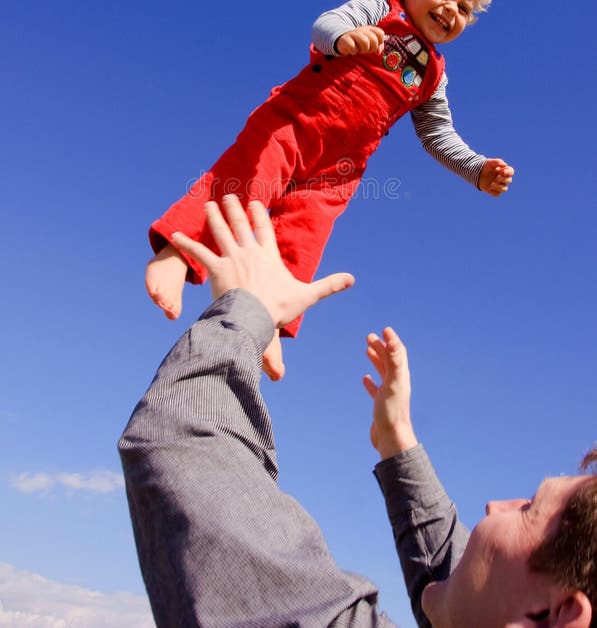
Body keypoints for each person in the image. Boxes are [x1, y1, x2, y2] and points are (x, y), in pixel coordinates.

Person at [120, 196, 596, 628]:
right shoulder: (513, 609)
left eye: (530, 510)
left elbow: (181, 442)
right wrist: (398, 439)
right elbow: (464, 582)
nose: (494, 506)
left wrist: (248, 309)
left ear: (555, 615)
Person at [144, 0, 515, 380]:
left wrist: (475, 168)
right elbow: (324, 26)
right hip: (294, 123)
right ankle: (176, 255)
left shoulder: (433, 77)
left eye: (465, 9)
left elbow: (439, 135)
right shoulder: (381, 8)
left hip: (341, 170)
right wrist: (345, 38)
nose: (452, 10)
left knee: (303, 237)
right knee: (243, 185)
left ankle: (270, 325)